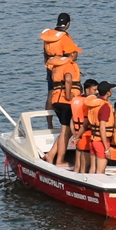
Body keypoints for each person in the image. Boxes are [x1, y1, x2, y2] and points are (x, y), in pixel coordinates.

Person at [39, 14, 80, 163]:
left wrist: (49, 66)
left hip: (51, 66)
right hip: (63, 68)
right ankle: (58, 157)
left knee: (51, 92)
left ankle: (49, 122)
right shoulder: (65, 38)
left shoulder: (49, 37)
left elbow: (45, 54)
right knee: (66, 127)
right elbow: (70, 56)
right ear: (68, 24)